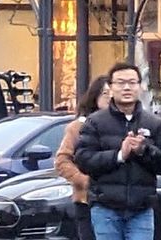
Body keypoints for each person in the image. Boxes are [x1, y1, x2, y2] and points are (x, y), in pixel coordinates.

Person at [74, 62, 161, 240]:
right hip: (105, 207)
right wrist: (119, 155)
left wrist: (143, 150)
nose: (127, 88)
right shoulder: (95, 122)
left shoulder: (154, 123)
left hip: (142, 208)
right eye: (120, 83)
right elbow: (83, 159)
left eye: (132, 82)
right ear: (111, 87)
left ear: (140, 86)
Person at [55, 75, 111, 240]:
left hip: (117, 201)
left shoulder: (124, 125)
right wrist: (84, 180)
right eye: (105, 93)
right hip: (87, 200)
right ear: (95, 96)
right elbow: (62, 160)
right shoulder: (79, 126)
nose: (110, 98)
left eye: (113, 93)